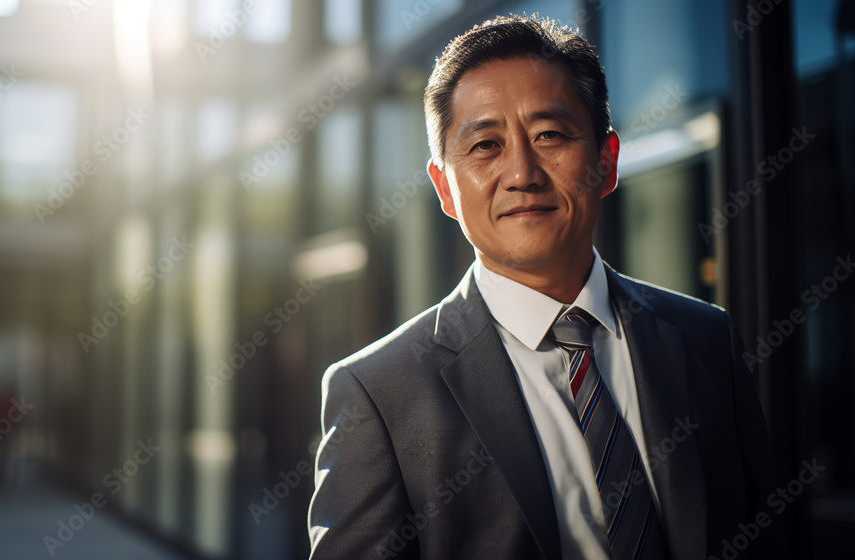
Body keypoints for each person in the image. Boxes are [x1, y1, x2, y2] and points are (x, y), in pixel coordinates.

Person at [307, 14, 791, 560]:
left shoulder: (705, 337)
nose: (523, 172)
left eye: (550, 135)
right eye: (486, 145)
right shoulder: (379, 391)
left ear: (606, 162)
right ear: (445, 187)